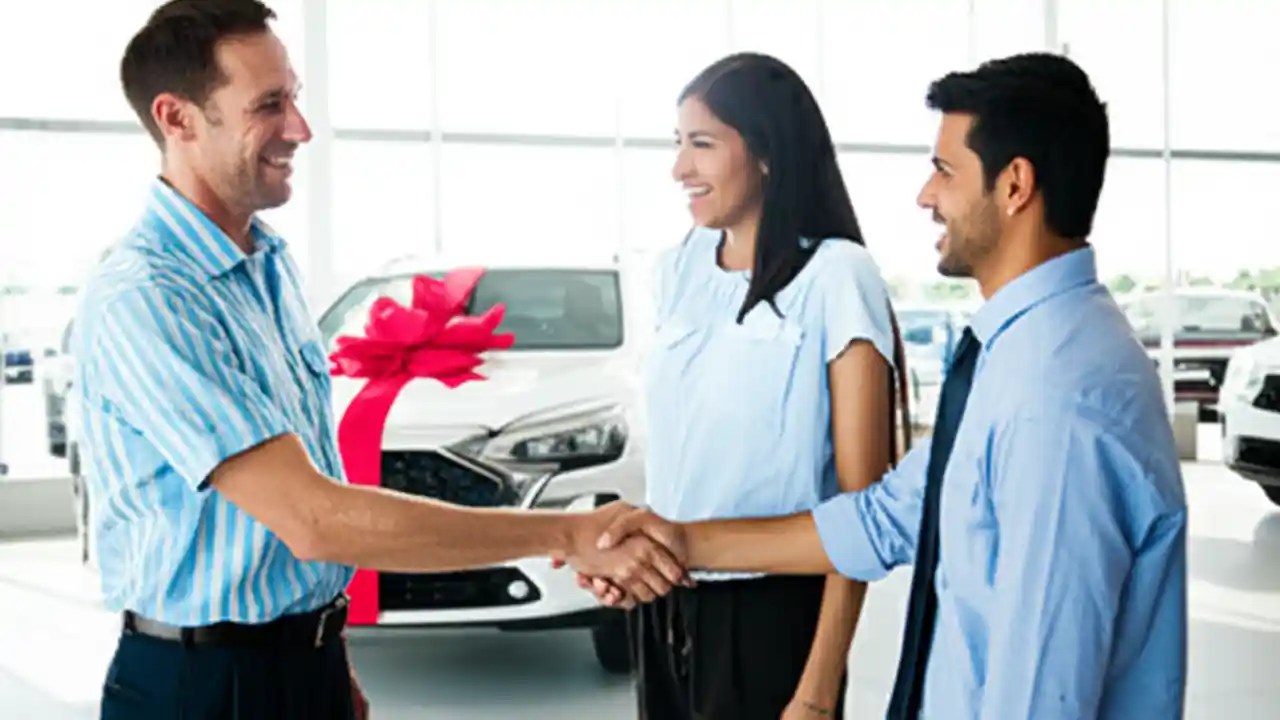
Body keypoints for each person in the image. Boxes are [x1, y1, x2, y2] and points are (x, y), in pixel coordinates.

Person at [76, 3, 680, 718]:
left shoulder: (265, 267)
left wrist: (326, 650)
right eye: (268, 104)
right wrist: (568, 532)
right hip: (201, 687)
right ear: (177, 119)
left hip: (300, 662)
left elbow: (295, 522)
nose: (299, 128)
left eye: (294, 96)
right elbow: (313, 516)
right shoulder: (150, 298)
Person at [587, 52, 1189, 719]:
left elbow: (1042, 694)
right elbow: (880, 520)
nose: (925, 197)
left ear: (1014, 185)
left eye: (944, 171)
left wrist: (815, 689)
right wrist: (671, 539)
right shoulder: (1017, 358)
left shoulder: (1059, 400)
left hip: (765, 628)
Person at [627, 52, 909, 720]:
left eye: (702, 144)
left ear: (767, 155)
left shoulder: (837, 276)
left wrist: (817, 688)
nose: (679, 169)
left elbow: (859, 507)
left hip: (772, 617)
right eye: (677, 144)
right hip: (663, 607)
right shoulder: (679, 268)